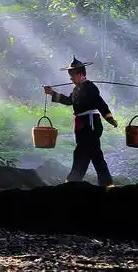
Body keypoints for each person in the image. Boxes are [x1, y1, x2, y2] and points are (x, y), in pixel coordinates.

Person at [43, 56, 118, 186]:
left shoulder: (90, 87)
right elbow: (69, 101)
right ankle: (107, 185)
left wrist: (109, 118)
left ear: (81, 74)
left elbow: (100, 103)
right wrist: (52, 93)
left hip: (90, 126)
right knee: (96, 156)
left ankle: (72, 183)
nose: (70, 78)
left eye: (72, 74)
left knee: (81, 155)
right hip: (83, 126)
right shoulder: (77, 89)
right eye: (69, 75)